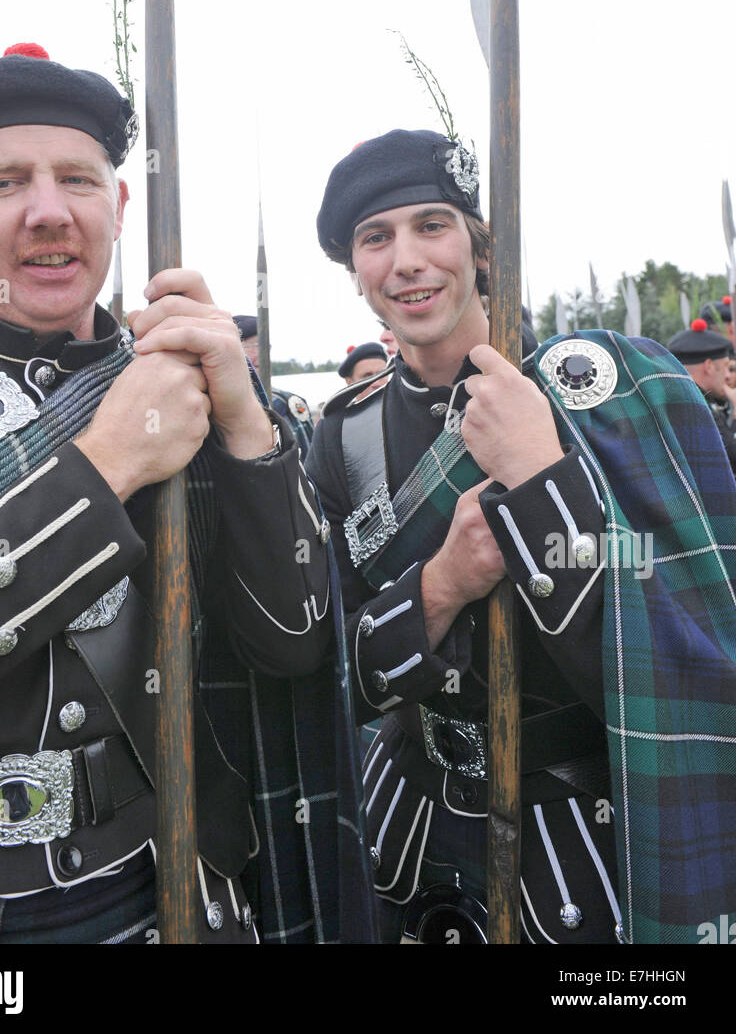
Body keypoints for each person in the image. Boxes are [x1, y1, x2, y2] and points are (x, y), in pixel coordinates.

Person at [0, 44, 374, 946]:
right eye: (4, 184)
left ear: (121, 203)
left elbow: (295, 642)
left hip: (178, 873)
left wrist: (249, 431)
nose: (48, 212)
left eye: (78, 179)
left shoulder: (183, 372)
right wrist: (105, 465)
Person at [307, 126, 736, 945]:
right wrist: (442, 585)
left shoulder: (614, 393)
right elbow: (334, 678)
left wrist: (545, 482)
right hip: (409, 834)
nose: (406, 259)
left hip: (580, 840)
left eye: (432, 225)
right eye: (376, 238)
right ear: (356, 272)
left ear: (479, 245)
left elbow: (684, 654)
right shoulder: (344, 439)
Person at [233, 314, 315, 456]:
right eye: (252, 346)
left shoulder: (286, 403)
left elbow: (310, 463)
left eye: (264, 346)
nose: (261, 354)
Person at [668, 318, 736, 473]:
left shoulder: (690, 397)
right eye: (726, 366)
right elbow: (731, 457)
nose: (727, 375)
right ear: (709, 366)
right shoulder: (694, 406)